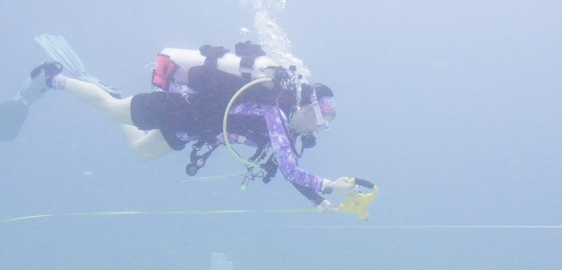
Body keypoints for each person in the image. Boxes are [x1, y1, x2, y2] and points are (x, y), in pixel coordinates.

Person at [19, 39, 361, 211]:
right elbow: (290, 169)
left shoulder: (283, 122)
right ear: (303, 107)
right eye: (317, 120)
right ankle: (55, 78)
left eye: (323, 125)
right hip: (178, 109)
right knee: (110, 111)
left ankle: (111, 93)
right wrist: (333, 187)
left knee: (139, 151)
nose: (316, 130)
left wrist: (317, 199)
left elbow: (287, 164)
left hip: (192, 128)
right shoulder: (274, 114)